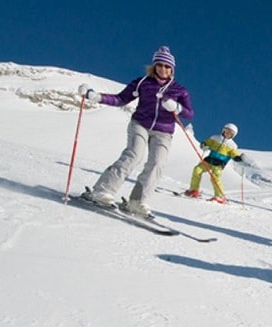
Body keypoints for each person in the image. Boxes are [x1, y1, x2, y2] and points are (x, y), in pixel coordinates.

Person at [80, 46, 194, 218]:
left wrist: (176, 107)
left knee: (157, 164)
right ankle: (102, 191)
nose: (163, 69)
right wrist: (96, 96)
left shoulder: (179, 90)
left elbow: (189, 113)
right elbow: (120, 99)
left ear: (172, 69)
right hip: (140, 124)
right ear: (154, 66)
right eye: (160, 65)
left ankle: (137, 202)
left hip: (163, 132)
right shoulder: (143, 83)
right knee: (134, 155)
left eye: (167, 66)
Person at [184, 123, 249, 203]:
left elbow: (234, 154)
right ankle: (194, 190)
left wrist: (239, 158)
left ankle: (219, 196)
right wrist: (204, 145)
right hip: (209, 160)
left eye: (230, 133)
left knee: (215, 178)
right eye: (227, 131)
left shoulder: (233, 145)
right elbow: (206, 143)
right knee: (197, 170)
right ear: (223, 130)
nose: (227, 134)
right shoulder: (215, 138)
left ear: (233, 136)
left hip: (219, 164)